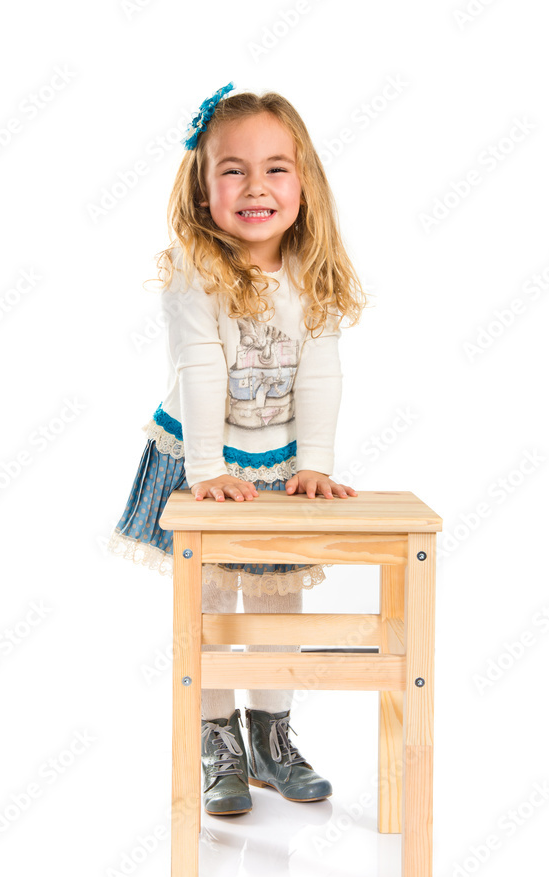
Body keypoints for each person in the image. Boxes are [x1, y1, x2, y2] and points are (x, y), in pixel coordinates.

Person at [107, 82, 368, 816]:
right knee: (213, 605)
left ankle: (271, 738)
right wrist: (207, 475)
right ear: (201, 192)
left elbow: (321, 370)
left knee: (279, 601)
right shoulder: (197, 272)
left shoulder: (312, 271)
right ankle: (215, 738)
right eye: (233, 170)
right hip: (203, 453)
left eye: (276, 167)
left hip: (278, 459)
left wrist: (313, 463)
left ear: (305, 184)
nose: (256, 186)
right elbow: (203, 368)